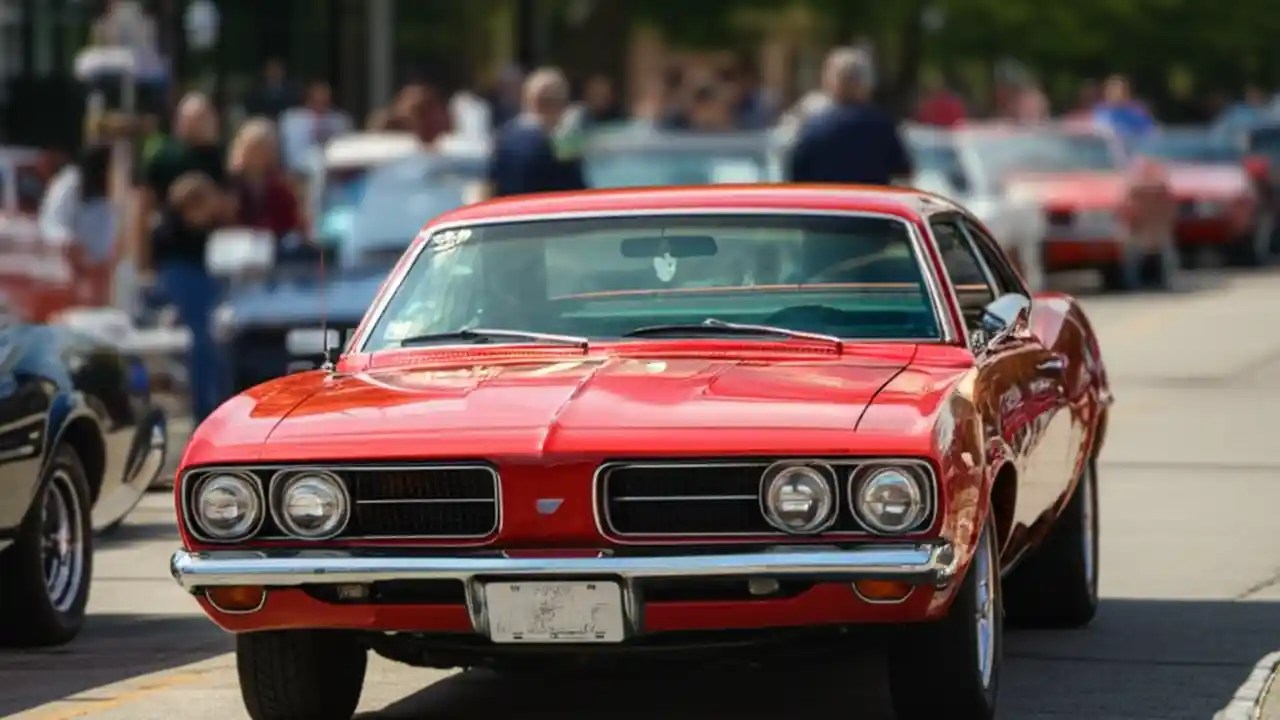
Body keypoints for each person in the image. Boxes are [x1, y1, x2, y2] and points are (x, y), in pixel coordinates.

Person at [151, 172, 233, 422]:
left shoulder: (209, 234)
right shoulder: (169, 240)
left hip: (204, 288)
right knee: (202, 343)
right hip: (186, 287)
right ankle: (204, 408)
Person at [132, 92, 226, 280]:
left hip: (213, 256)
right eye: (195, 118)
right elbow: (142, 208)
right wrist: (143, 263)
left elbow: (229, 202)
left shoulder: (219, 158)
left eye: (206, 117)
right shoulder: (163, 157)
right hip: (171, 253)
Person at [787, 47, 912, 186]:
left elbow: (796, 177)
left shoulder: (813, 127)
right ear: (865, 84)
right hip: (869, 205)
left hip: (824, 205)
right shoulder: (883, 126)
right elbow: (902, 176)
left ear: (830, 82)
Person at [485, 67, 586, 198]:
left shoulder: (503, 139)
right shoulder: (559, 147)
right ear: (559, 104)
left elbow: (489, 186)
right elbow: (578, 196)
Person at [226, 118, 300, 242]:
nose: (259, 154)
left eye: (265, 148)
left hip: (272, 246)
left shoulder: (281, 188)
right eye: (254, 148)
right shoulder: (229, 184)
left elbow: (291, 223)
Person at [279, 81, 353, 176]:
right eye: (316, 99)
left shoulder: (340, 120)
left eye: (324, 100)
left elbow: (345, 146)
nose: (320, 102)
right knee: (318, 165)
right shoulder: (292, 118)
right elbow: (290, 150)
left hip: (334, 162)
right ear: (308, 98)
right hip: (301, 162)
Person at [1092, 75, 1156, 150]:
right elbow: (1101, 133)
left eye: (1122, 90)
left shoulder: (1137, 111)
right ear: (1107, 92)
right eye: (1114, 90)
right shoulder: (1101, 112)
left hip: (1138, 150)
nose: (1118, 93)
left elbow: (1150, 132)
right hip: (1109, 153)